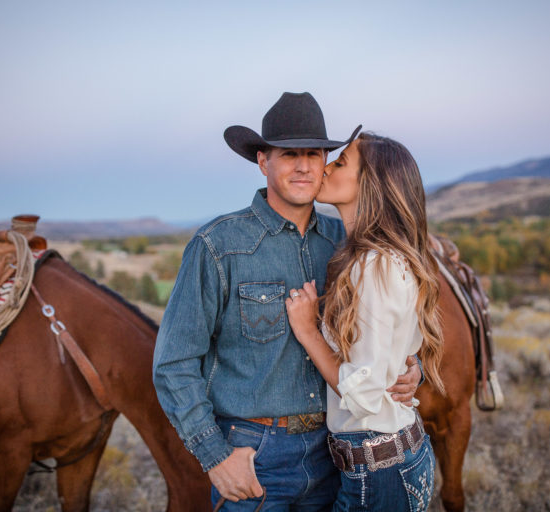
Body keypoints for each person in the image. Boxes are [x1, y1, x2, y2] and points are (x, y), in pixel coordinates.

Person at [152, 92, 422, 510]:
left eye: (313, 154)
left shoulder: (345, 244)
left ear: (325, 162)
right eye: (288, 153)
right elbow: (174, 363)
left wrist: (407, 367)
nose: (303, 166)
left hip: (335, 454)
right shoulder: (218, 246)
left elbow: (381, 326)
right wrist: (215, 456)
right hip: (254, 455)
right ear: (263, 161)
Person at [285, 132, 445, 511]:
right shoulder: (375, 258)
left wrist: (308, 332)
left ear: (369, 184)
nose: (325, 168)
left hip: (379, 473)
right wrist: (413, 368)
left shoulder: (375, 265)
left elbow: (364, 392)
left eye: (339, 164)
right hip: (383, 465)